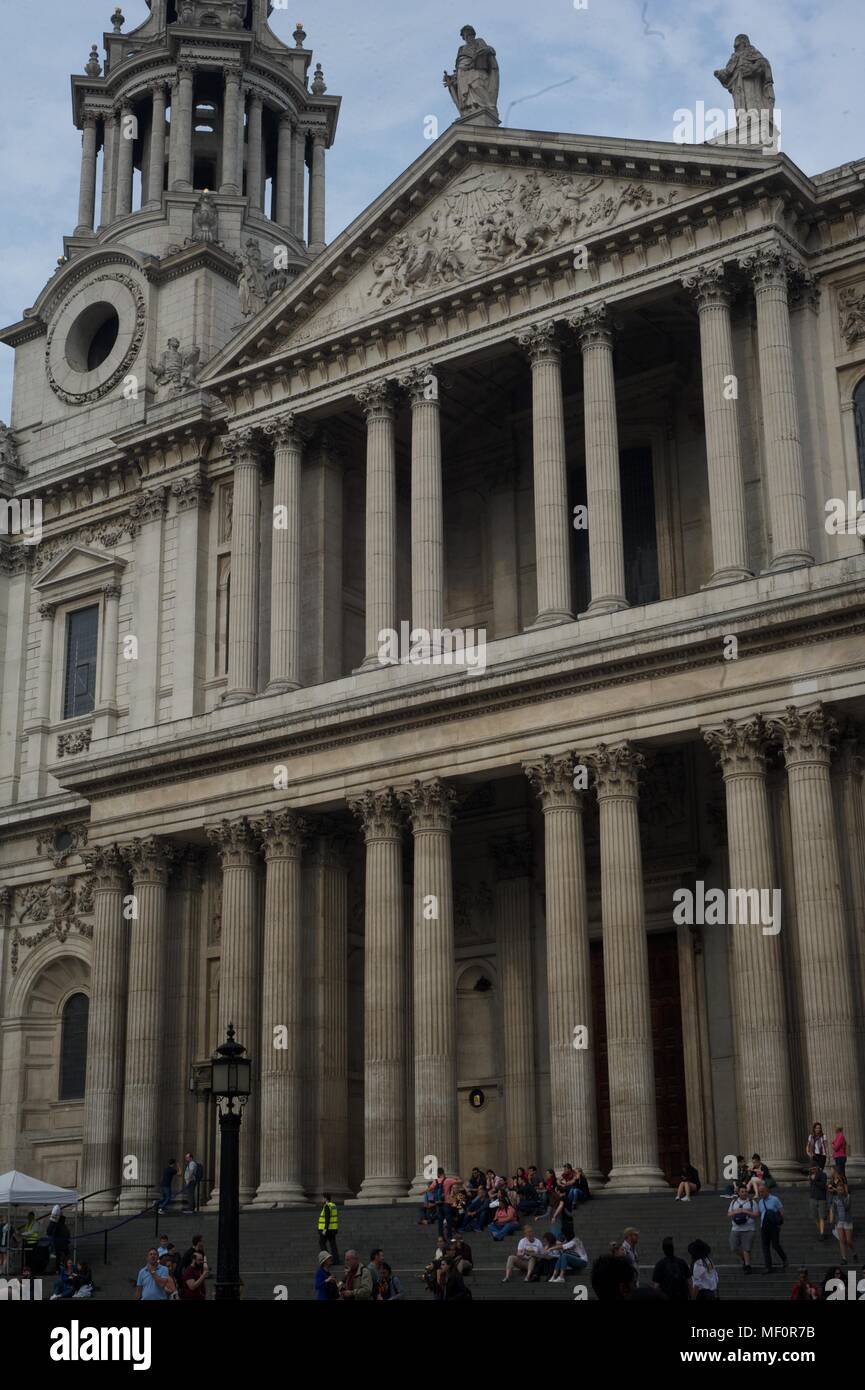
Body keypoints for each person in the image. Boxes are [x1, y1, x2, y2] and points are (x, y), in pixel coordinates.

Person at [728, 1183, 759, 1275]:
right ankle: (744, 1259)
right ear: (738, 1193)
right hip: (735, 1229)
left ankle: (747, 1266)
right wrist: (736, 1211)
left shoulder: (752, 1202)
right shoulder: (733, 1202)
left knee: (746, 1248)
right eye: (742, 1192)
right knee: (734, 1247)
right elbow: (729, 1214)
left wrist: (745, 1211)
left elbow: (756, 1214)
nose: (744, 1193)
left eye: (746, 1191)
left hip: (749, 1229)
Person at [756, 1182, 787, 1274]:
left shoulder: (775, 1199)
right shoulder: (760, 1202)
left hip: (773, 1227)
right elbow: (760, 1213)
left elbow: (781, 1211)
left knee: (775, 1245)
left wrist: (778, 1221)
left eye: (762, 1192)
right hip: (763, 1227)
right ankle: (768, 1267)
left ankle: (784, 1258)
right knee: (765, 1247)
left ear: (767, 1191)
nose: (761, 1194)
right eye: (759, 1192)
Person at [827, 1172, 855, 1263]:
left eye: (841, 1189)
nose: (839, 1191)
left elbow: (847, 1207)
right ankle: (844, 1258)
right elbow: (833, 1209)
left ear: (843, 1189)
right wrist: (832, 1219)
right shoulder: (835, 1198)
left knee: (848, 1241)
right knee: (841, 1240)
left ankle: (854, 1252)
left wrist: (841, 1198)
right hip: (839, 1221)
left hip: (847, 1220)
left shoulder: (848, 1197)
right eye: (838, 1190)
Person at [317, 1192, 339, 1263]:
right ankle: (336, 1260)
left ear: (325, 1198)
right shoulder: (333, 1205)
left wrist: (324, 1229)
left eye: (322, 1198)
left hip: (327, 1229)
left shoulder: (327, 1206)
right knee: (333, 1244)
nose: (321, 1199)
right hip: (333, 1229)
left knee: (321, 1243)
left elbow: (327, 1218)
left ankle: (327, 1259)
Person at [808, 1165, 829, 1240]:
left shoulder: (823, 1175)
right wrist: (812, 1180)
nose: (812, 1170)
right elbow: (812, 1186)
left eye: (813, 1168)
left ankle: (822, 1233)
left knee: (821, 1217)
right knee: (814, 1217)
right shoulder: (811, 1176)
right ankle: (821, 1230)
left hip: (821, 1199)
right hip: (813, 1198)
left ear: (817, 1168)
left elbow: (823, 1186)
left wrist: (814, 1180)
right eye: (811, 1169)